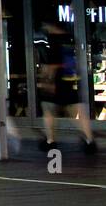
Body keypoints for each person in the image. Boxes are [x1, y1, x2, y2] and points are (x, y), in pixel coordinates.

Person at [34, 23, 96, 155]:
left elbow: (51, 65)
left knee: (48, 111)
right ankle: (90, 140)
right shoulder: (70, 38)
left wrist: (47, 81)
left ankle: (50, 141)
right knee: (78, 112)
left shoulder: (52, 42)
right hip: (70, 80)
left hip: (56, 82)